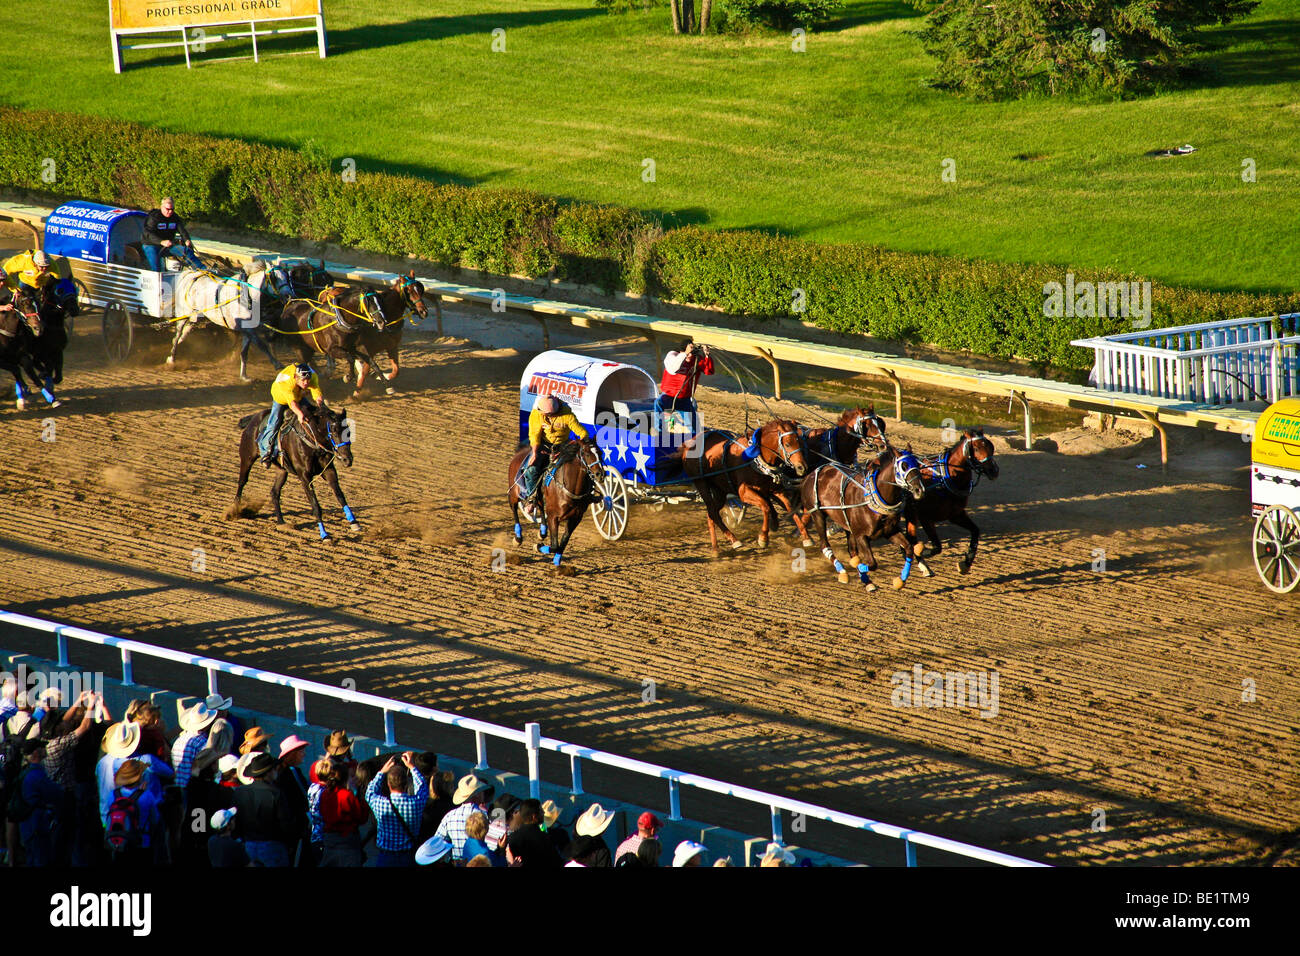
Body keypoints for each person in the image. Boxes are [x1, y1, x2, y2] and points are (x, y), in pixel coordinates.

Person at [519, 394, 590, 519]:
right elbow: (534, 435)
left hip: (563, 446)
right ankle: (532, 498)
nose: (548, 417)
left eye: (550, 415)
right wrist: (535, 453)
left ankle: (586, 492)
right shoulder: (536, 415)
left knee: (579, 466)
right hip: (543, 446)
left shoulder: (568, 415)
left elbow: (581, 432)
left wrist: (582, 439)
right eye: (546, 414)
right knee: (531, 470)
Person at [232, 752, 296, 867]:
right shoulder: (275, 793)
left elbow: (236, 821)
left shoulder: (239, 792)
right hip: (273, 847)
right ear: (268, 772)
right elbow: (286, 824)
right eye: (274, 769)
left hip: (248, 846)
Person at [364, 751, 426, 867]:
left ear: (388, 784)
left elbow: (370, 792)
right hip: (408, 856)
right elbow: (422, 787)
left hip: (386, 857)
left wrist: (382, 771)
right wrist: (412, 766)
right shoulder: (416, 803)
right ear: (406, 783)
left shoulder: (380, 803)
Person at [258, 363, 327, 467]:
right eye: (303, 380)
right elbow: (292, 404)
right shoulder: (286, 383)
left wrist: (321, 404)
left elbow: (316, 391)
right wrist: (299, 414)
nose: (306, 383)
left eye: (307, 380)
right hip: (281, 397)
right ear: (296, 377)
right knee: (274, 423)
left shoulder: (312, 376)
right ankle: (265, 453)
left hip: (298, 395)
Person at [656, 339, 713, 435]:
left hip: (684, 400)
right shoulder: (672, 356)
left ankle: (695, 441)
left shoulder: (696, 361)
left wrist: (707, 355)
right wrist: (686, 353)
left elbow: (709, 371)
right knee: (659, 405)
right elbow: (673, 368)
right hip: (668, 398)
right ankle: (659, 433)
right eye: (688, 353)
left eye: (691, 353)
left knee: (694, 429)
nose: (690, 356)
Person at [141, 197, 205, 272]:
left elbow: (182, 231)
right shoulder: (153, 217)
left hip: (168, 246)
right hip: (151, 245)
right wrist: (162, 241)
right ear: (162, 207)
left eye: (172, 209)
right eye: (168, 209)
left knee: (187, 251)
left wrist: (187, 240)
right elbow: (148, 233)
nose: (170, 212)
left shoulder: (175, 217)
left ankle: (202, 269)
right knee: (156, 268)